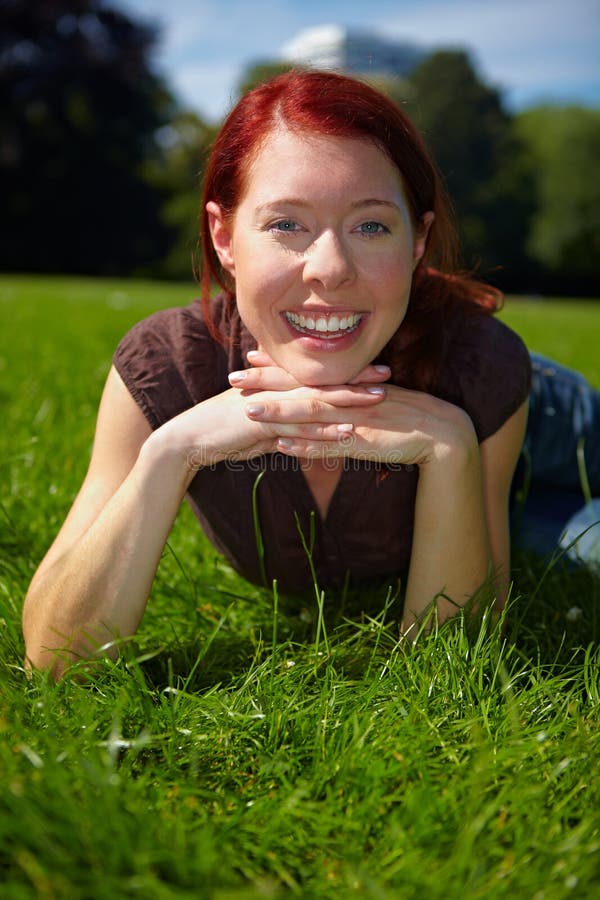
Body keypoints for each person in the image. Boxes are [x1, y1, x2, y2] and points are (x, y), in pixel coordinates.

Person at [21, 70, 595, 678]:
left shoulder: (478, 362)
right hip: (502, 480)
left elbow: (457, 671)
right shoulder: (162, 369)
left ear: (417, 241)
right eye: (285, 224)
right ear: (225, 237)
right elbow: (55, 662)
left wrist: (451, 444)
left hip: (546, 419)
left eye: (371, 225)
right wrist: (170, 453)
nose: (330, 269)